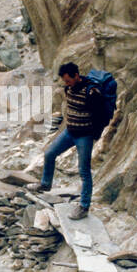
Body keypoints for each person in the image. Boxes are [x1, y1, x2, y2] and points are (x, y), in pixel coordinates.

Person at [39, 62, 103, 219]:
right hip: (69, 131)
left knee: (84, 171)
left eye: (68, 80)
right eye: (64, 81)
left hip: (84, 136)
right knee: (49, 154)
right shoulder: (69, 89)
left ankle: (84, 207)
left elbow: (100, 116)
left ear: (76, 75)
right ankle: (45, 184)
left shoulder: (91, 92)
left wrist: (94, 135)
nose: (66, 84)